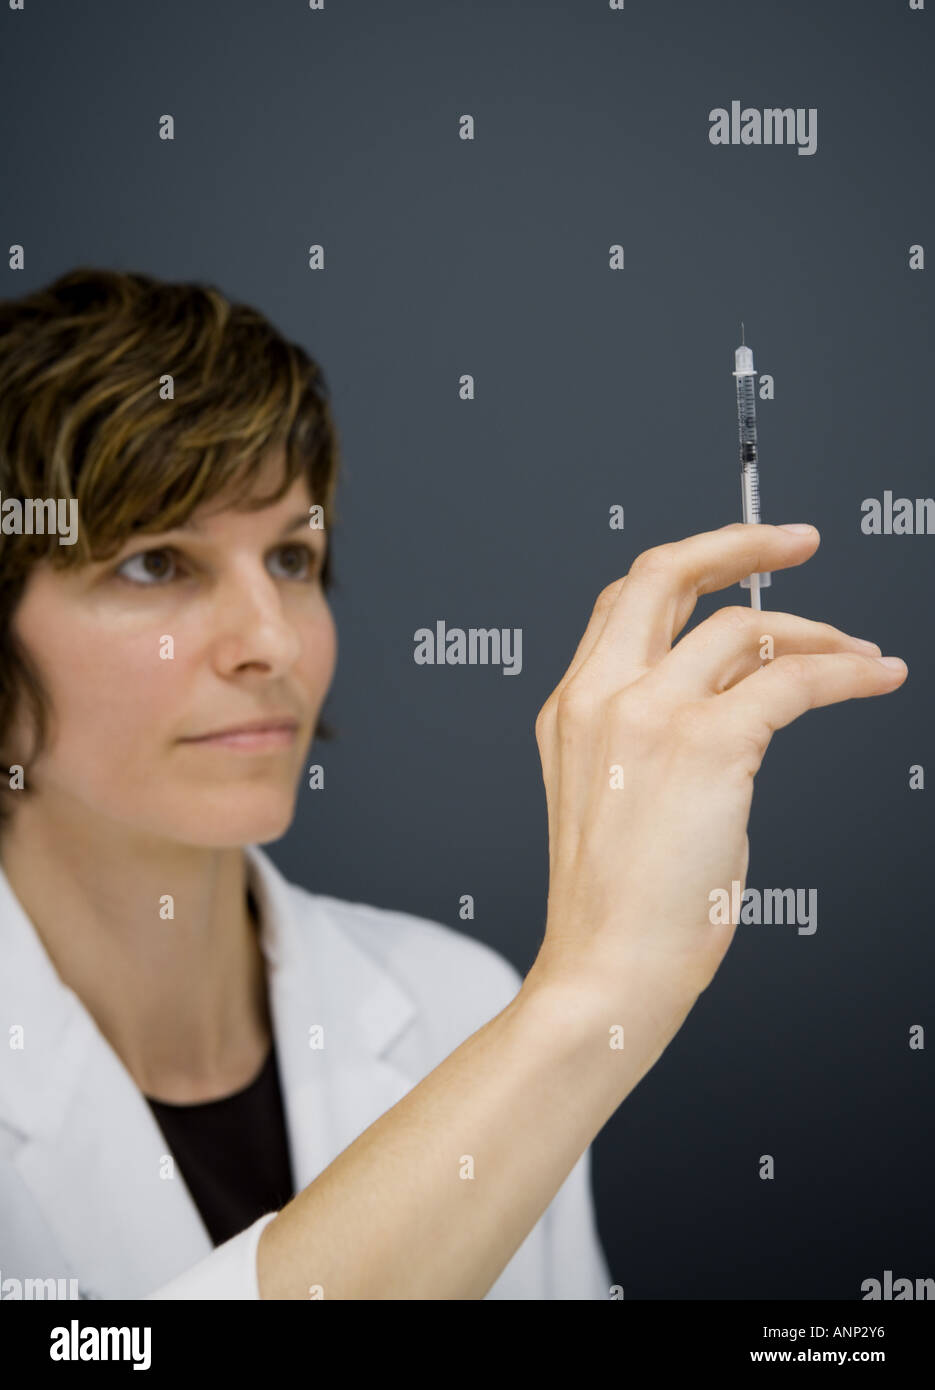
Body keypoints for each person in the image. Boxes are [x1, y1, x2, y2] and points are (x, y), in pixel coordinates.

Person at [0, 269, 907, 1301]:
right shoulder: (537, 1029)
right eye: (158, 564)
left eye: (292, 558)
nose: (270, 641)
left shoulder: (458, 1004)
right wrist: (594, 990)